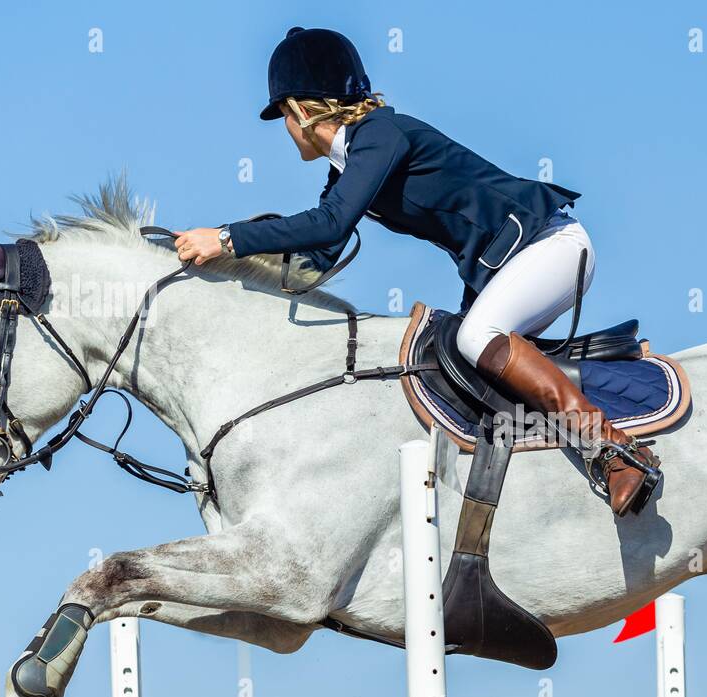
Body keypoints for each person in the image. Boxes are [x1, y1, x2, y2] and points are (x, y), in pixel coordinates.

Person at [173, 27, 660, 516]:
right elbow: (318, 254)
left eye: (281, 115)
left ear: (298, 109)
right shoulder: (351, 161)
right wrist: (228, 269)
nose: (284, 127)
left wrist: (227, 236)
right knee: (456, 357)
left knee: (477, 337)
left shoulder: (380, 134)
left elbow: (329, 223)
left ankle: (615, 451)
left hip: (549, 245)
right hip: (511, 262)